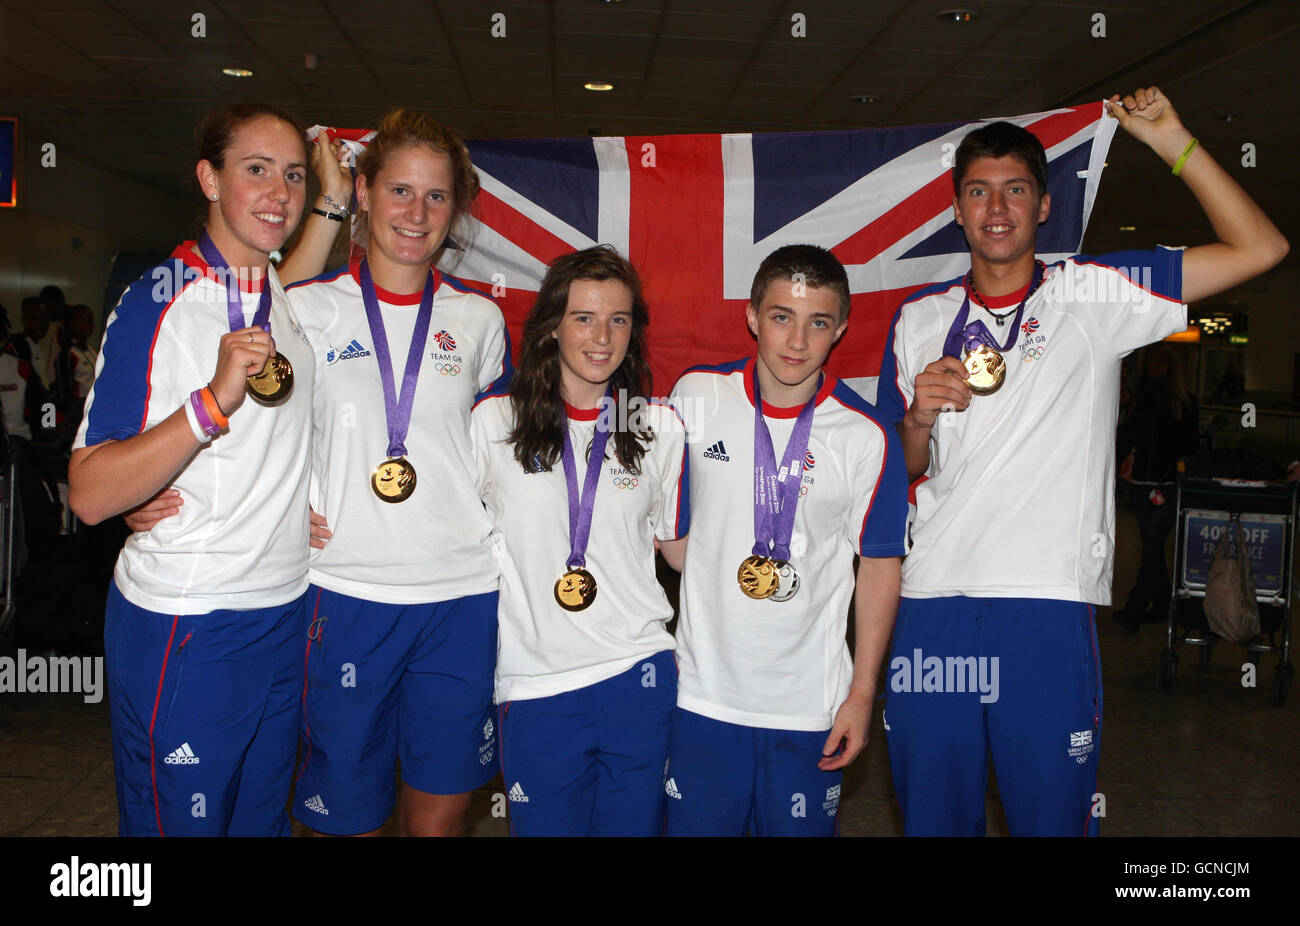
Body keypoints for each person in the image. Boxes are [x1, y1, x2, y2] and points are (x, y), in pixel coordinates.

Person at [876, 87, 1288, 836]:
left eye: (1016, 191)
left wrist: (1173, 142)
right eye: (978, 191)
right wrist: (916, 417)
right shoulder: (917, 319)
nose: (996, 208)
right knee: (933, 819)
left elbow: (1261, 248)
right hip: (932, 601)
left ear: (1043, 207)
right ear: (957, 208)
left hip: (1044, 604)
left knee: (1049, 822)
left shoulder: (1095, 294)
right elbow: (895, 471)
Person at [68, 101, 315, 836]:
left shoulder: (273, 288)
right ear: (209, 178)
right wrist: (210, 405)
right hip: (191, 618)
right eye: (257, 170)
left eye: (294, 175)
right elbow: (88, 492)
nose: (280, 192)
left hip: (284, 609)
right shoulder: (157, 302)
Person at [284, 109, 509, 837]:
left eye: (437, 196)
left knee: (438, 816)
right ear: (365, 193)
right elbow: (242, 414)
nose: (417, 212)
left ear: (457, 209)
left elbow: (495, 452)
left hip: (460, 594)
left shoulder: (480, 322)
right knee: (342, 818)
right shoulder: (308, 308)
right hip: (345, 588)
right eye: (400, 191)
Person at [661, 244, 907, 837]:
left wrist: (861, 694)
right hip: (702, 697)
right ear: (751, 316)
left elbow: (879, 568)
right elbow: (669, 530)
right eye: (781, 317)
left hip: (810, 705)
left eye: (817, 322)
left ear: (840, 329)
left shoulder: (867, 435)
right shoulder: (695, 396)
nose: (797, 341)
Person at [470, 246, 687, 836]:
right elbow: (443, 528)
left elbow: (683, 551)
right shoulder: (493, 421)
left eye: (618, 319)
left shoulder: (657, 427)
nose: (602, 336)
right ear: (551, 328)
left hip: (638, 673)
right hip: (537, 682)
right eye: (583, 318)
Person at [1113, 345, 1198, 632]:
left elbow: (1190, 446)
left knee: (1151, 547)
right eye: (1152, 362)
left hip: (1168, 485)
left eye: (1161, 363)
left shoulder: (1183, 403)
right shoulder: (1140, 399)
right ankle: (1164, 606)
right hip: (1140, 483)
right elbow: (1127, 437)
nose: (1155, 367)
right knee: (1153, 548)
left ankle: (1134, 610)